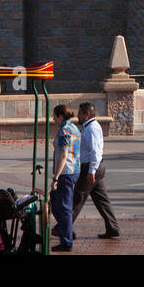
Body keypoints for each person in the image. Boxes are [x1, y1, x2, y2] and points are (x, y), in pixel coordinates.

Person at [73, 101, 120, 239]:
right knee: (101, 199)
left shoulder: (92, 128)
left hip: (92, 167)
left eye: (80, 113)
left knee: (78, 197)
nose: (78, 116)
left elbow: (96, 152)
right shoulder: (88, 127)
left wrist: (91, 171)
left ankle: (63, 227)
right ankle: (113, 227)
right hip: (93, 167)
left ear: (87, 115)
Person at [49, 104, 80, 251]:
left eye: (54, 116)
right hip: (72, 170)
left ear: (60, 116)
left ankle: (66, 242)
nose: (53, 119)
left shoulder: (64, 131)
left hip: (66, 172)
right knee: (55, 200)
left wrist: (56, 177)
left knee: (64, 207)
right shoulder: (73, 128)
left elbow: (63, 155)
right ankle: (67, 231)